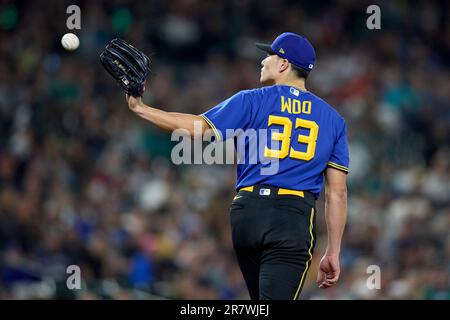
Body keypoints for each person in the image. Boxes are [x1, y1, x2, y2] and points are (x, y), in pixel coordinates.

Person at [126, 32, 349, 300]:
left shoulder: (252, 99)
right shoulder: (334, 120)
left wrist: (141, 108)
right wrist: (333, 251)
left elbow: (196, 129)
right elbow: (337, 193)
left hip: (247, 213)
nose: (263, 61)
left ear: (283, 64)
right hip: (291, 217)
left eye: (270, 55)